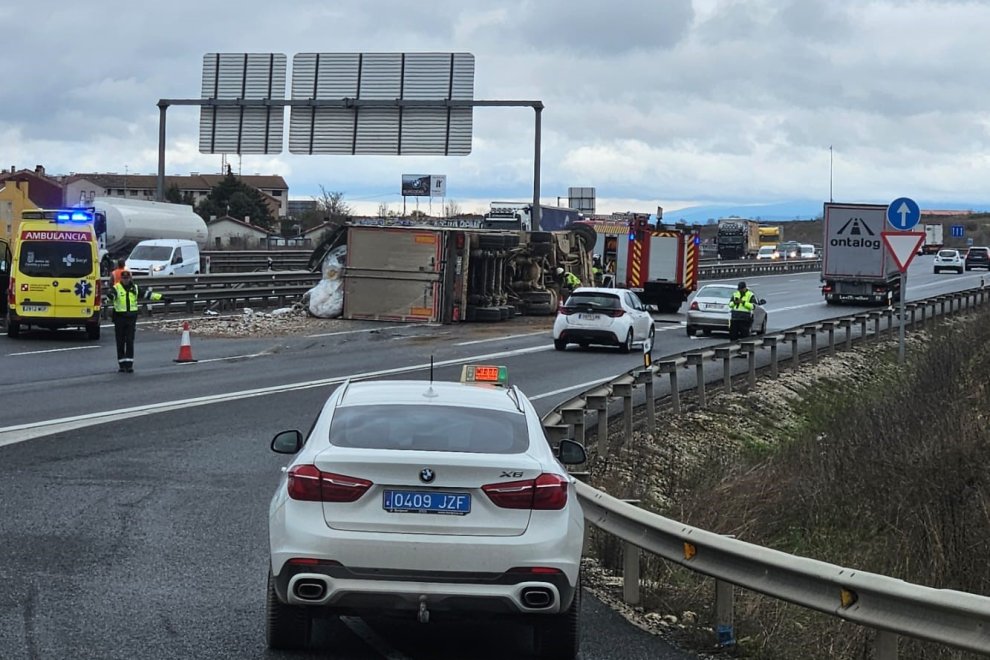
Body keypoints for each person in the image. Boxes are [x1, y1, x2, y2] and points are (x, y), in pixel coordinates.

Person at [105, 271, 168, 372]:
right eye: (124, 278)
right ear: (121, 279)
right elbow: (108, 298)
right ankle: (122, 364)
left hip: (131, 318)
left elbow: (148, 294)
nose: (125, 280)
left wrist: (162, 297)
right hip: (120, 317)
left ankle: (129, 365)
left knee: (129, 341)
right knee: (120, 341)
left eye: (127, 278)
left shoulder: (135, 288)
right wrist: (110, 297)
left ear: (130, 278)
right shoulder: (116, 288)